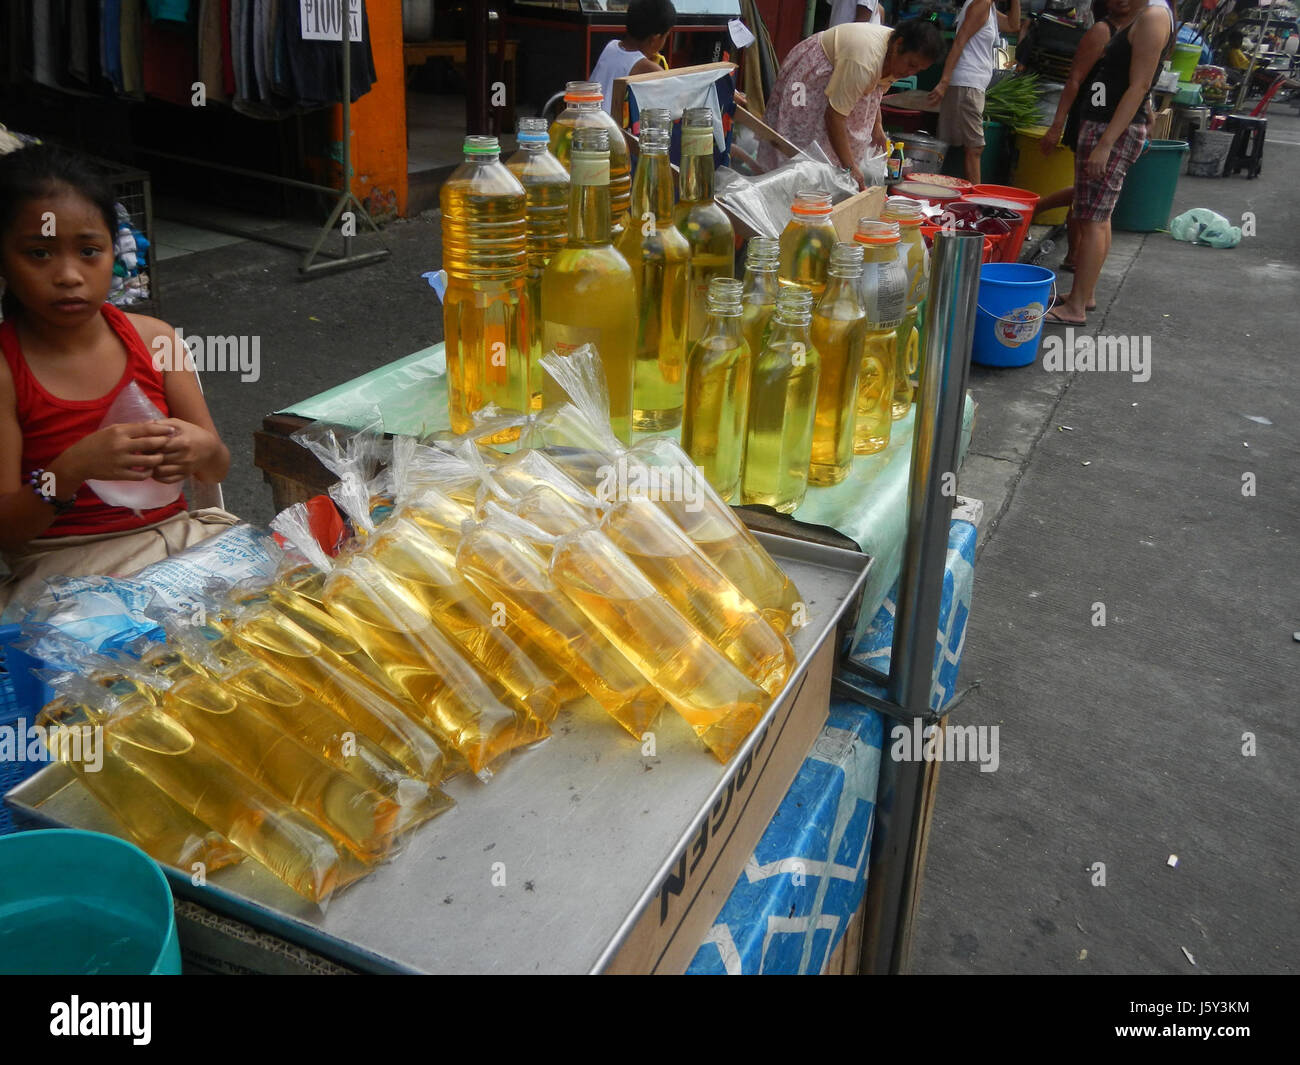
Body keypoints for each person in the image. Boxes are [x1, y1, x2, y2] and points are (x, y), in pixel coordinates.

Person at [0, 145, 234, 617]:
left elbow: (216, 469)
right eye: (39, 253)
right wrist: (68, 471)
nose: (68, 276)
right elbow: (6, 530)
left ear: (115, 250)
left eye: (89, 251)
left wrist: (200, 448)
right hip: (65, 576)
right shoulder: (6, 369)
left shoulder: (156, 340)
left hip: (179, 550)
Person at [1046, 0, 1174, 325]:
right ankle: (1083, 294)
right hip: (1105, 124)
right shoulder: (1139, 19)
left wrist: (1105, 144)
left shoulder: (1154, 16)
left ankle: (1075, 307)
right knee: (1097, 217)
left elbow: (1141, 84)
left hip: (1111, 130)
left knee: (1091, 220)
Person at [760, 19, 945, 187]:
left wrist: (877, 125)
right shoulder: (865, 61)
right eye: (911, 65)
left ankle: (822, 191)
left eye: (918, 70)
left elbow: (876, 88)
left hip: (849, 72)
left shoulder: (896, 56)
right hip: (815, 74)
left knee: (835, 154)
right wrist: (850, 167)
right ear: (898, 45)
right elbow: (834, 116)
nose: (911, 72)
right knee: (803, 145)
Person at [1038, 0, 1137, 277]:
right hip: (1090, 118)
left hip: (1113, 121)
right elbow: (1074, 79)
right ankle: (1072, 252)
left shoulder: (1136, 29)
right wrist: (1056, 125)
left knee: (1087, 194)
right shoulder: (1102, 31)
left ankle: (1037, 209)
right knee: (1085, 196)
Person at [929, 0, 1022, 185]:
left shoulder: (990, 8)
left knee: (951, 145)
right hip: (967, 84)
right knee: (975, 147)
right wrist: (944, 81)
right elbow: (960, 41)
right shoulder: (982, 3)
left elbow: (1014, 25)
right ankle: (976, 197)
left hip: (971, 84)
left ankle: (945, 190)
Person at [589, 0, 677, 114]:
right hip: (610, 129)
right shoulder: (650, 69)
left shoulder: (611, 46)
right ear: (655, 38)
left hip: (585, 122)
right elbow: (674, 103)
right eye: (666, 36)